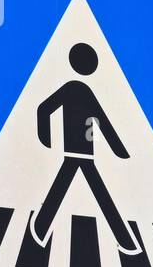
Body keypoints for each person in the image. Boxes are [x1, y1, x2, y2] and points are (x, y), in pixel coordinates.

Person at [30, 42, 140, 252]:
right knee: (95, 193)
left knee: (71, 189)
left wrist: (47, 138)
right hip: (79, 152)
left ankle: (40, 228)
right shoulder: (77, 89)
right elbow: (101, 122)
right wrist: (46, 139)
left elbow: (98, 121)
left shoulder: (77, 89)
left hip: (79, 152)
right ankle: (125, 240)